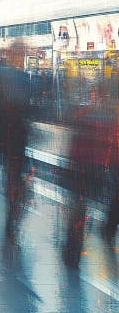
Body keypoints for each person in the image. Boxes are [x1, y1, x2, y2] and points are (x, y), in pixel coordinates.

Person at [0, 42, 31, 254]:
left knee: (12, 176)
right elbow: (27, 106)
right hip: (14, 136)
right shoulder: (20, 78)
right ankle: (12, 222)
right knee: (16, 177)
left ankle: (12, 215)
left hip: (4, 135)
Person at [63, 82, 118, 266]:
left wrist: (69, 162)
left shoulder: (83, 114)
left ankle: (73, 249)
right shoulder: (110, 118)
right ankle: (78, 244)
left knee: (79, 204)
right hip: (96, 166)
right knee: (84, 204)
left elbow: (75, 141)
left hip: (81, 165)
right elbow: (112, 144)